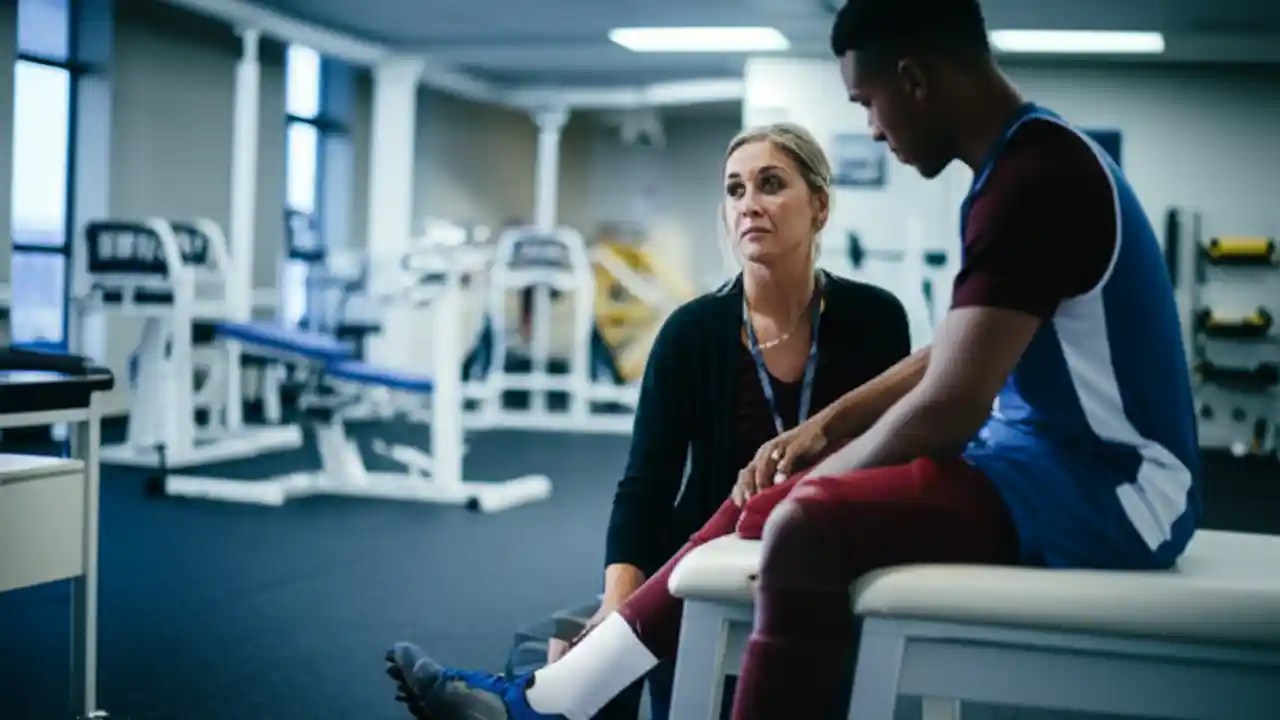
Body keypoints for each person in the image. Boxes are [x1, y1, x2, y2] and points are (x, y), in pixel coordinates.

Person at [383, 0, 1204, 717]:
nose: (874, 127)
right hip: (1051, 465)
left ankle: (555, 704)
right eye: (734, 189)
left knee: (803, 522)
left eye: (869, 101)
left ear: (914, 79)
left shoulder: (1035, 178)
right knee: (768, 503)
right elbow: (951, 356)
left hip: (1119, 487)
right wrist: (820, 433)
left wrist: (817, 477)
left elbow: (952, 401)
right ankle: (554, 703)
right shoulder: (1020, 167)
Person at [540, 121, 911, 720]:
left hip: (825, 555)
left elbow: (893, 458)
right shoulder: (692, 332)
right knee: (588, 651)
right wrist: (617, 602)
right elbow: (646, 485)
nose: (750, 205)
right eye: (735, 190)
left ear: (819, 206)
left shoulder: (875, 320)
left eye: (770, 184)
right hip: (705, 556)